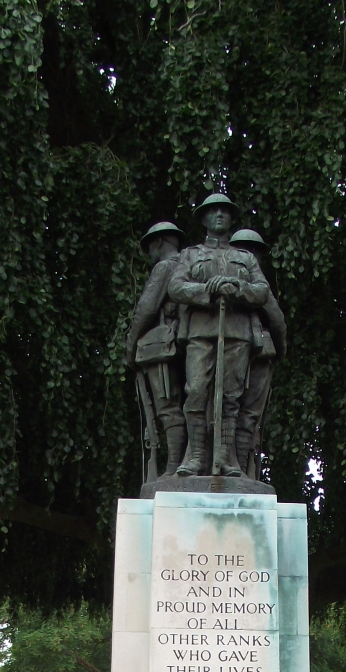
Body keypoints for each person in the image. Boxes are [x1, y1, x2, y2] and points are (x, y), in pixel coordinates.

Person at [167, 193, 269, 477]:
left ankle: (225, 457)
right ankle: (197, 455)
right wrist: (207, 290)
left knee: (230, 396)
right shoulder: (191, 254)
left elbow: (261, 291)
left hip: (237, 333)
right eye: (214, 211)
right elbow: (176, 287)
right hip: (201, 331)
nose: (220, 215)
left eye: (225, 211)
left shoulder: (244, 258)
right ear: (204, 218)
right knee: (197, 391)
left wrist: (237, 287)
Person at [125, 221, 187, 476]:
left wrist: (131, 344)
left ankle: (174, 465)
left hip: (164, 345)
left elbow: (147, 309)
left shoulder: (165, 267)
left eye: (149, 246)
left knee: (167, 406)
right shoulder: (188, 266)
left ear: (159, 242)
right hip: (185, 344)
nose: (149, 253)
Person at [230, 228, 287, 477]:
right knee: (249, 412)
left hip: (230, 348)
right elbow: (276, 319)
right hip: (261, 350)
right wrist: (281, 349)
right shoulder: (254, 284)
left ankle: (238, 466)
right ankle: (240, 468)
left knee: (226, 407)